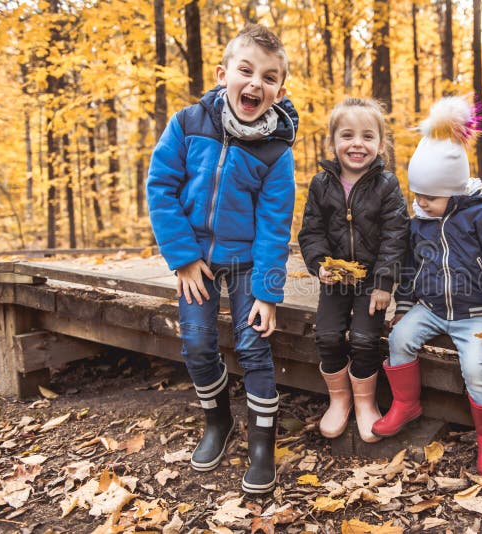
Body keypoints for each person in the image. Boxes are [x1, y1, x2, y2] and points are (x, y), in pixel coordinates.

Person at [146, 24, 298, 495]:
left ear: (279, 90)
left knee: (254, 345)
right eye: (246, 71)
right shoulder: (188, 123)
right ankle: (218, 420)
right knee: (195, 341)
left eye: (269, 78)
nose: (255, 83)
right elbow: (160, 189)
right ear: (223, 73)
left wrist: (269, 294)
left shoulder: (276, 150)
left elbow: (275, 225)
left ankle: (261, 441)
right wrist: (183, 258)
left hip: (249, 261)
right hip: (196, 260)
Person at [371, 96, 482, 478]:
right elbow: (410, 266)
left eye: (429, 197)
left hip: (478, 313)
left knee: (476, 366)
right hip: (432, 307)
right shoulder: (421, 219)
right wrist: (405, 306)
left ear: (454, 192)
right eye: (416, 194)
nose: (420, 203)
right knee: (399, 338)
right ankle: (407, 404)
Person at [298, 97, 409, 443]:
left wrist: (384, 283)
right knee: (328, 336)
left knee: (363, 339)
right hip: (336, 279)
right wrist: (318, 266)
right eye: (347, 135)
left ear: (380, 143)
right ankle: (339, 399)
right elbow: (311, 231)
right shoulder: (321, 185)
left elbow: (396, 235)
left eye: (367, 136)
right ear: (332, 143)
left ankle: (365, 401)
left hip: (371, 283)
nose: (357, 144)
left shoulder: (386, 185)